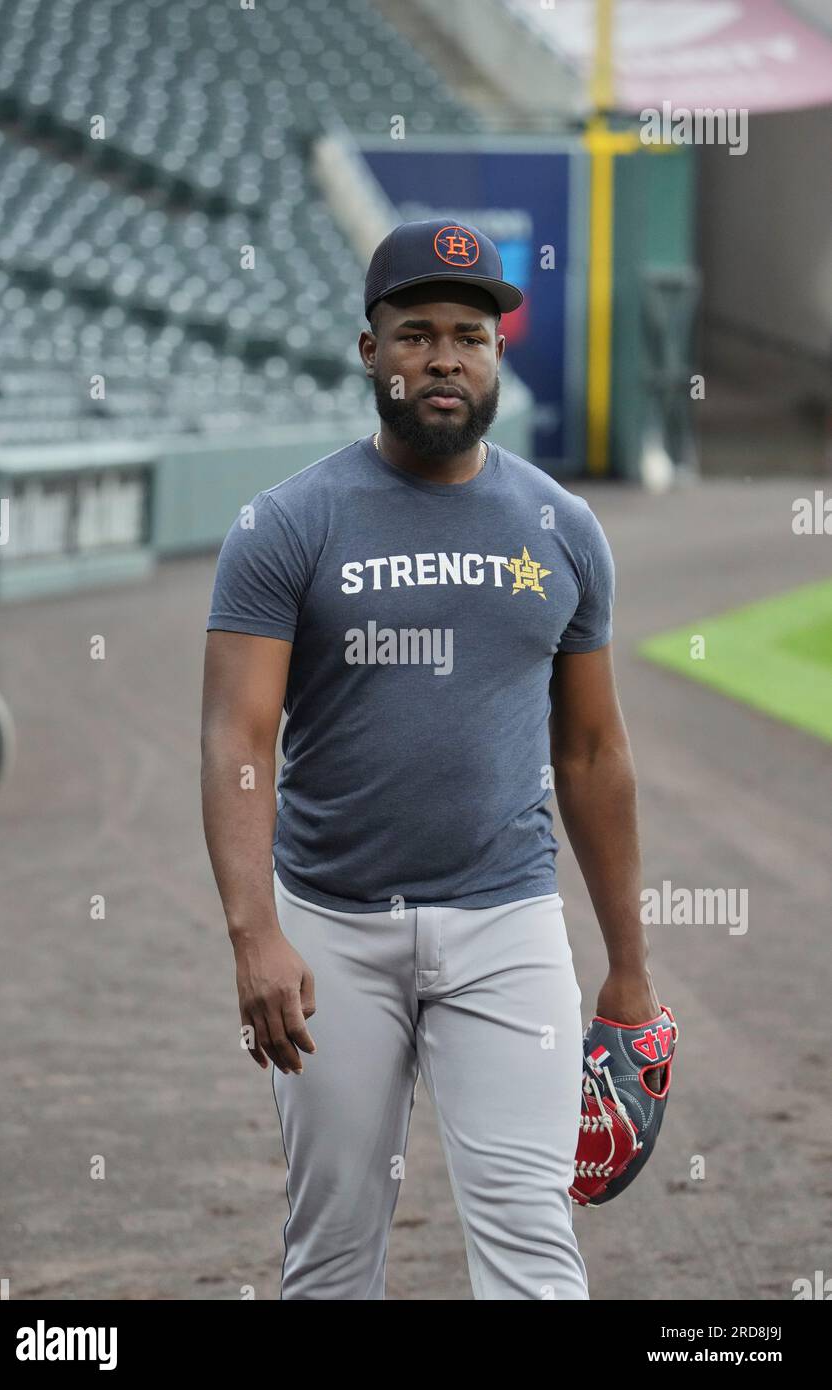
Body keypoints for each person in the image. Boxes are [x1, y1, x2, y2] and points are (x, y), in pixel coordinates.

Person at [201, 219, 661, 1301]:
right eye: (414, 334)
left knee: (533, 1249)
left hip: (506, 923)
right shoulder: (286, 524)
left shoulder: (560, 527)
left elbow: (592, 750)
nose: (442, 357)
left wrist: (630, 971)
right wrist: (253, 933)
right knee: (331, 1251)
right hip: (328, 929)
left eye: (469, 335)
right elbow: (236, 739)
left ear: (496, 356)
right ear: (370, 351)